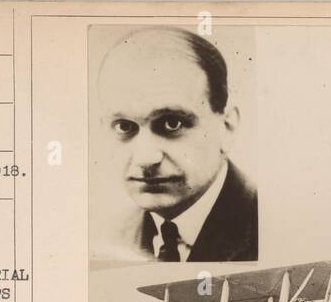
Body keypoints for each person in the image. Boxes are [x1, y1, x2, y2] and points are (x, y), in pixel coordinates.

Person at [97, 27, 258, 262]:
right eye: (124, 126)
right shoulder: (109, 239)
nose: (145, 158)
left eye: (172, 123)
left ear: (227, 127)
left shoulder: (267, 226)